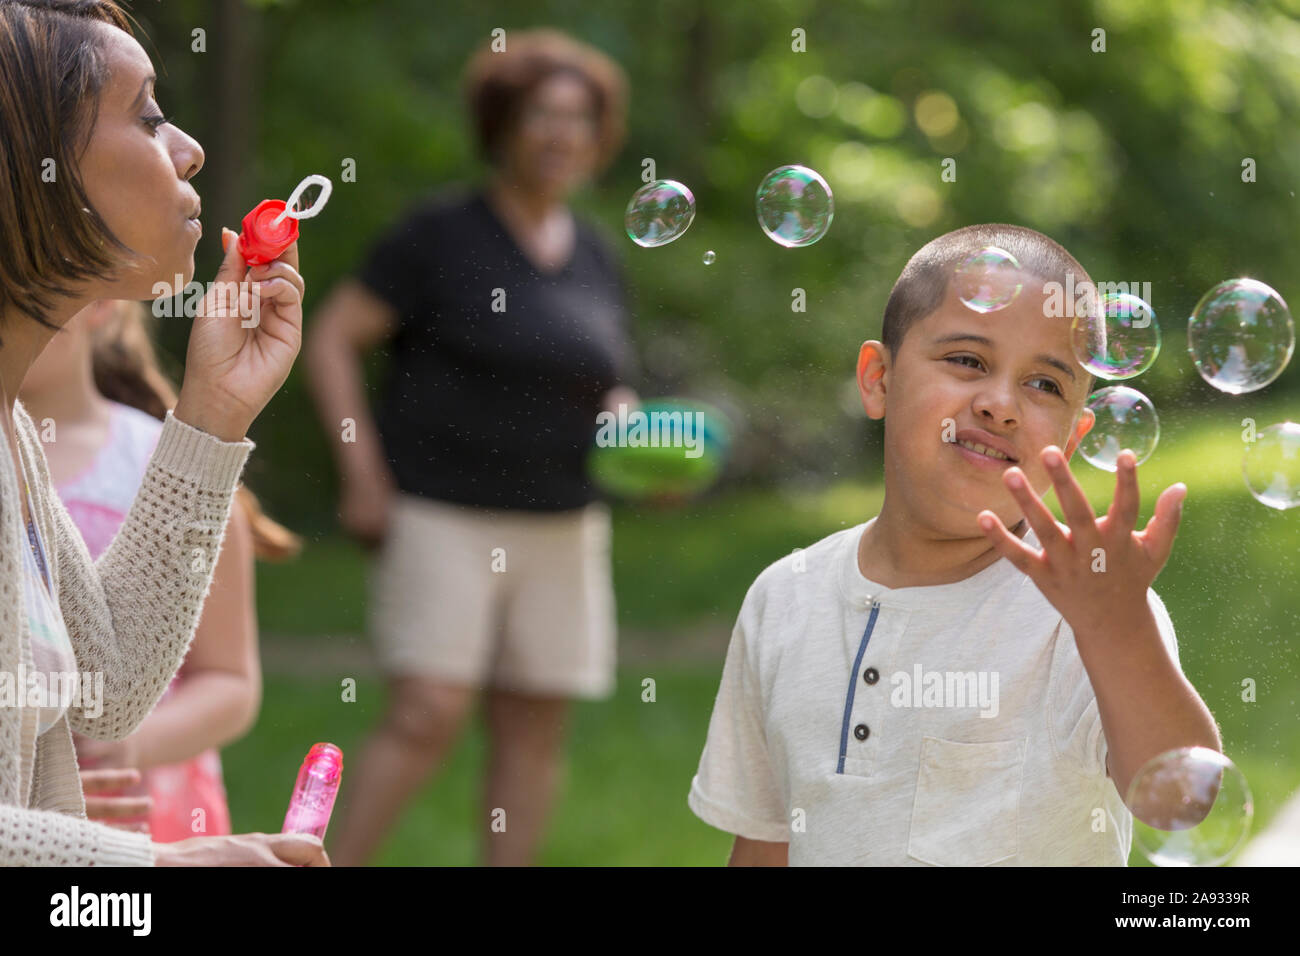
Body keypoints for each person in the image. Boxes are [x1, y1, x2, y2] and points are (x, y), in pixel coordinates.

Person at [687, 224, 1222, 866]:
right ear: (879, 379)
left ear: (1073, 438)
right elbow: (767, 842)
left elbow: (1181, 799)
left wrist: (1117, 628)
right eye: (968, 361)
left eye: (1044, 384)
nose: (1001, 405)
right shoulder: (783, 599)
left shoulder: (1083, 611)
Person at [0, 0, 323, 865]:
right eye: (147, 116)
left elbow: (105, 692)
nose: (189, 149)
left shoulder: (11, 441)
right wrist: (161, 871)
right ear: (34, 165)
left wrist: (212, 415)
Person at [305, 28, 635, 866]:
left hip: (564, 520)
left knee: (533, 724)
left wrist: (641, 440)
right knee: (427, 711)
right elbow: (333, 339)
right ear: (501, 126)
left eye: (579, 118)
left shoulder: (595, 252)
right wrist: (361, 470)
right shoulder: (439, 235)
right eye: (540, 115)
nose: (561, 135)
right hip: (442, 512)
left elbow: (607, 383)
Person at [19, 298, 303, 841]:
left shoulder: (174, 469)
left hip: (146, 818)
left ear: (100, 299)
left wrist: (132, 744)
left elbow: (230, 681)